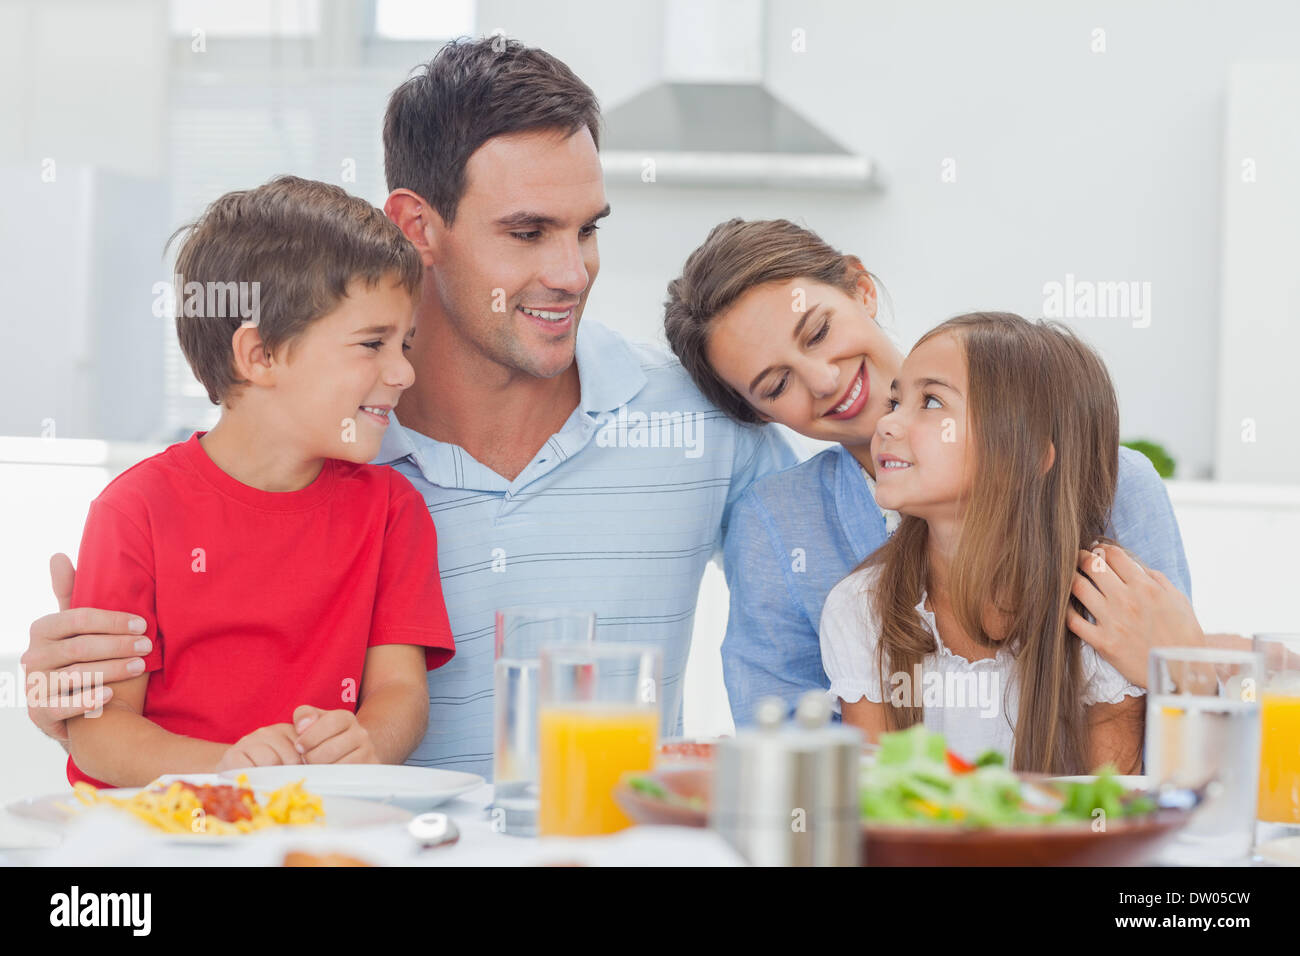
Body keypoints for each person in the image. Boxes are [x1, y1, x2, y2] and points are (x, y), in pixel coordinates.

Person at [23, 39, 799, 779]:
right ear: (418, 226)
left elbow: (844, 611)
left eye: (587, 229)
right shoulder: (315, 442)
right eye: (527, 232)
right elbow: (134, 691)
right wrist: (79, 690)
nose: (572, 272)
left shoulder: (700, 421)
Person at [664, 219, 1197, 726]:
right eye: (776, 385)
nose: (823, 380)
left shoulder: (1113, 480)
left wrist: (1184, 663)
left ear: (861, 288)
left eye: (819, 331)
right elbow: (781, 745)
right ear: (759, 413)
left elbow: (1174, 719)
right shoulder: (778, 525)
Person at [61, 176, 455, 787]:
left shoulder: (391, 510)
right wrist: (225, 770)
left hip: (318, 832)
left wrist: (367, 743)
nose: (403, 371)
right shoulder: (134, 511)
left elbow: (401, 693)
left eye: (404, 343)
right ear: (261, 356)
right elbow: (99, 730)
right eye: (373, 343)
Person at [820, 312, 1144, 773]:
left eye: (931, 402)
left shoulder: (1103, 611)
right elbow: (882, 810)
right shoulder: (860, 607)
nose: (886, 426)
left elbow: (1101, 818)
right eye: (895, 403)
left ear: (1028, 453)